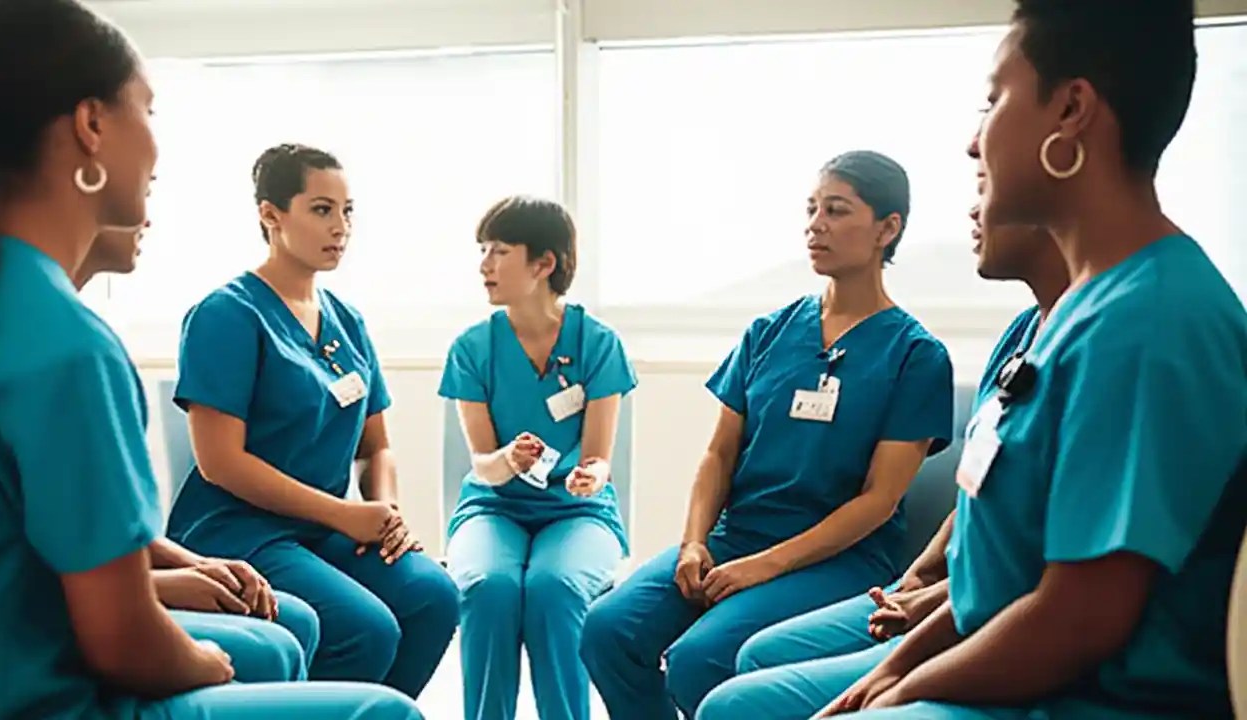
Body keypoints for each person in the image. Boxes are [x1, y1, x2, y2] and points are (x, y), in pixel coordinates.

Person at [0, 0, 422, 717]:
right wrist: (211, 664)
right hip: (42, 693)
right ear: (91, 127)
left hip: (6, 654)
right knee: (380, 709)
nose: (155, 150)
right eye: (147, 110)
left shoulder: (5, 300)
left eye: (348, 210)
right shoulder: (67, 344)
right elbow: (123, 640)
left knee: (331, 624)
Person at [820, 2, 1244, 717]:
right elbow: (1003, 578)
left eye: (993, 100)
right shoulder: (1080, 312)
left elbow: (1076, 619)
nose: (973, 143)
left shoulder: (1155, 321)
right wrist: (887, 675)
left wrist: (899, 691)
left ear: (1071, 110)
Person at [579, 150, 956, 718]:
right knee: (608, 629)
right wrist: (694, 542)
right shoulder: (770, 331)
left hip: (841, 558)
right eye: (810, 210)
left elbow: (880, 500)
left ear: (888, 228)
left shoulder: (916, 356)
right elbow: (719, 452)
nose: (815, 225)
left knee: (700, 657)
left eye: (836, 210)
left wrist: (764, 566)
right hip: (738, 534)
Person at [695, 161, 1071, 720]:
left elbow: (1059, 583)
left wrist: (905, 654)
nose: (972, 209)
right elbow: (977, 490)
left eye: (987, 187)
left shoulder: (918, 353)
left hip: (968, 604)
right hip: (941, 586)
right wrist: (919, 576)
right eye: (811, 209)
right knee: (736, 650)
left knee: (728, 693)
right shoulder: (1021, 334)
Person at [165, 142, 460, 695]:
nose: (341, 227)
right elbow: (220, 463)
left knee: (434, 596)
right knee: (364, 629)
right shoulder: (227, 315)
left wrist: (386, 512)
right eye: (322, 210)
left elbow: (377, 446)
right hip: (238, 530)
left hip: (323, 528)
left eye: (348, 212)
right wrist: (345, 516)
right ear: (270, 215)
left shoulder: (347, 320)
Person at [76, 224, 321, 684]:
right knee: (294, 653)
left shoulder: (76, 332)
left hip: (118, 579)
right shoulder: (57, 347)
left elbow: (102, 528)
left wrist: (192, 565)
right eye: (323, 211)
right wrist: (162, 590)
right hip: (41, 647)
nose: (148, 218)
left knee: (301, 623)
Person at [440, 196, 636, 720]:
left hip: (578, 512)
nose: (484, 265)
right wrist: (505, 459)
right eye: (483, 250)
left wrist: (591, 476)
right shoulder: (471, 348)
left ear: (544, 263)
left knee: (555, 589)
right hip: (493, 506)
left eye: (499, 251)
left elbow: (597, 458)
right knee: (490, 588)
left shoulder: (597, 344)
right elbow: (481, 463)